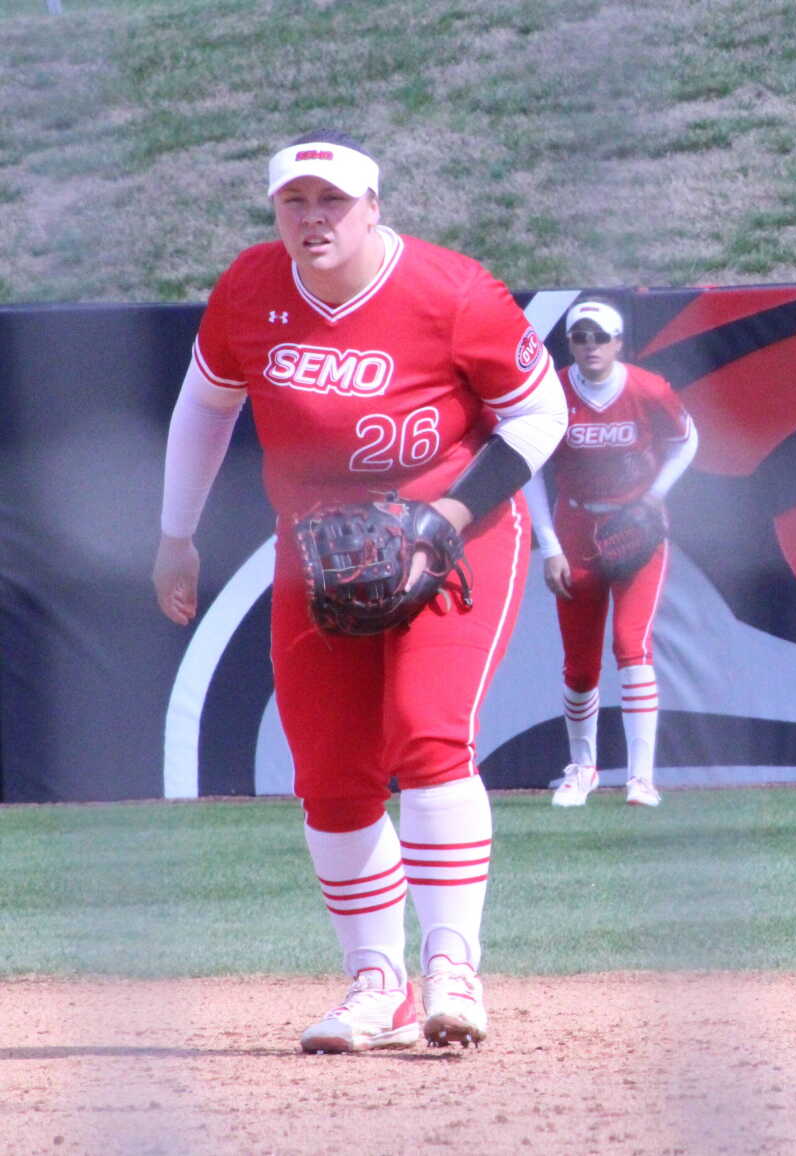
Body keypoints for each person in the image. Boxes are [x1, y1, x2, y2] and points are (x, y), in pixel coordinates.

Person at [151, 131, 567, 1053]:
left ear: (374, 207)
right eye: (294, 203)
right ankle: (378, 987)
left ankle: (453, 968)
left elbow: (542, 412)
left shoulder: (452, 291)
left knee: (426, 734)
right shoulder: (252, 289)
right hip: (318, 550)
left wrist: (450, 516)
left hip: (451, 540)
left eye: (332, 201)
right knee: (331, 775)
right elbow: (206, 404)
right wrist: (176, 534)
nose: (313, 218)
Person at [529, 299, 698, 808]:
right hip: (576, 525)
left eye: (600, 337)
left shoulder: (648, 388)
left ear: (619, 342)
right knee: (579, 664)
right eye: (581, 337)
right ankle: (583, 769)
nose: (590, 346)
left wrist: (653, 497)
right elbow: (531, 467)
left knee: (631, 644)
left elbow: (687, 441)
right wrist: (549, 546)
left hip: (636, 527)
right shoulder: (552, 392)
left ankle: (641, 778)